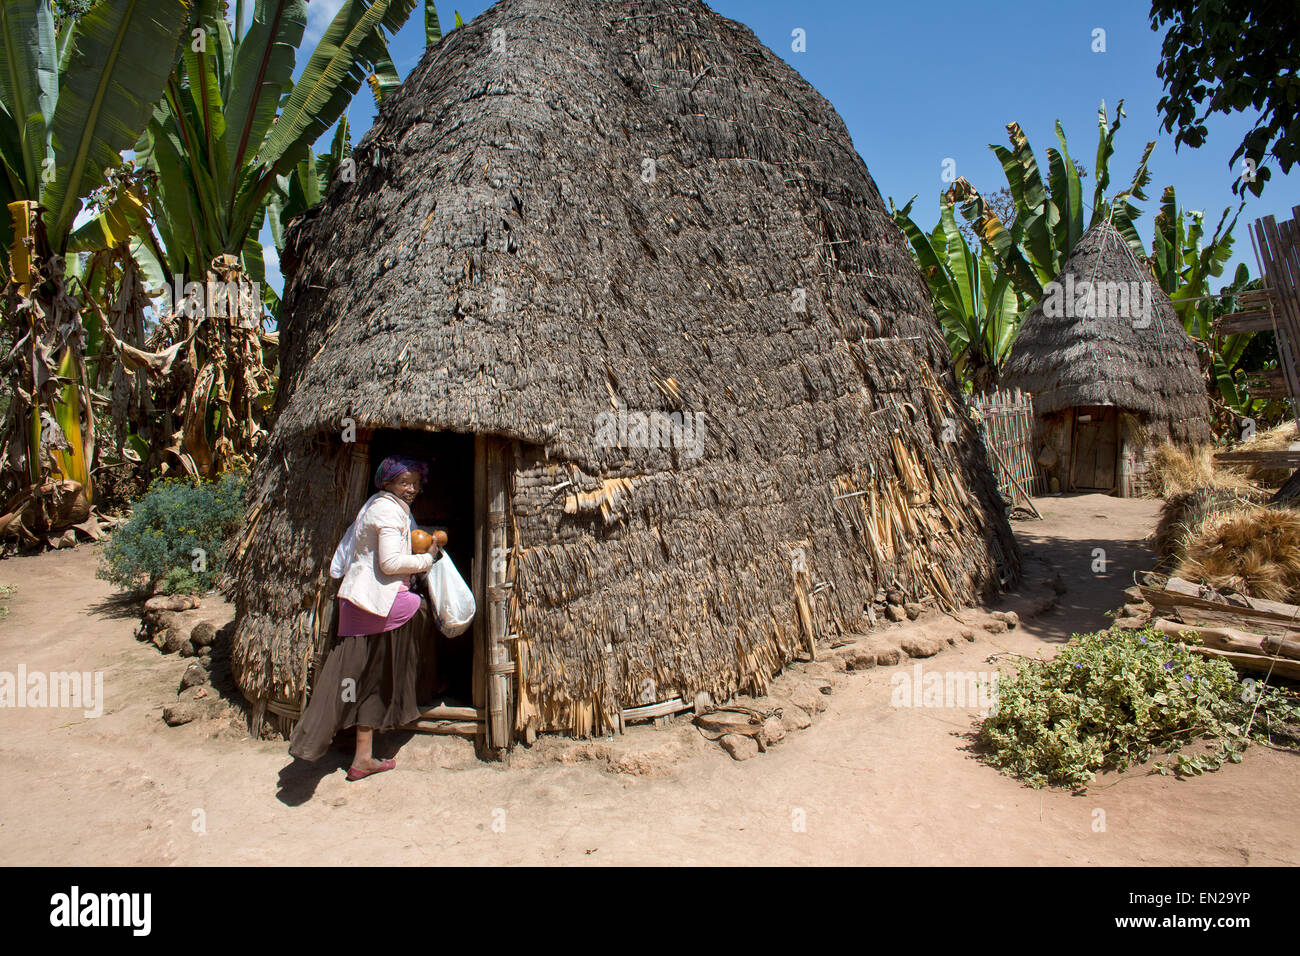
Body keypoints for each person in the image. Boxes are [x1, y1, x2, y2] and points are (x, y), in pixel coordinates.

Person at [288, 455, 439, 780]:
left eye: (415, 482)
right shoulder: (386, 511)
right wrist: (426, 560)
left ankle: (362, 758)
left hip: (362, 604)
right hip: (378, 606)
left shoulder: (378, 506)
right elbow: (389, 564)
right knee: (422, 616)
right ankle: (309, 743)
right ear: (387, 483)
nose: (411, 488)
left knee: (365, 681)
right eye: (404, 482)